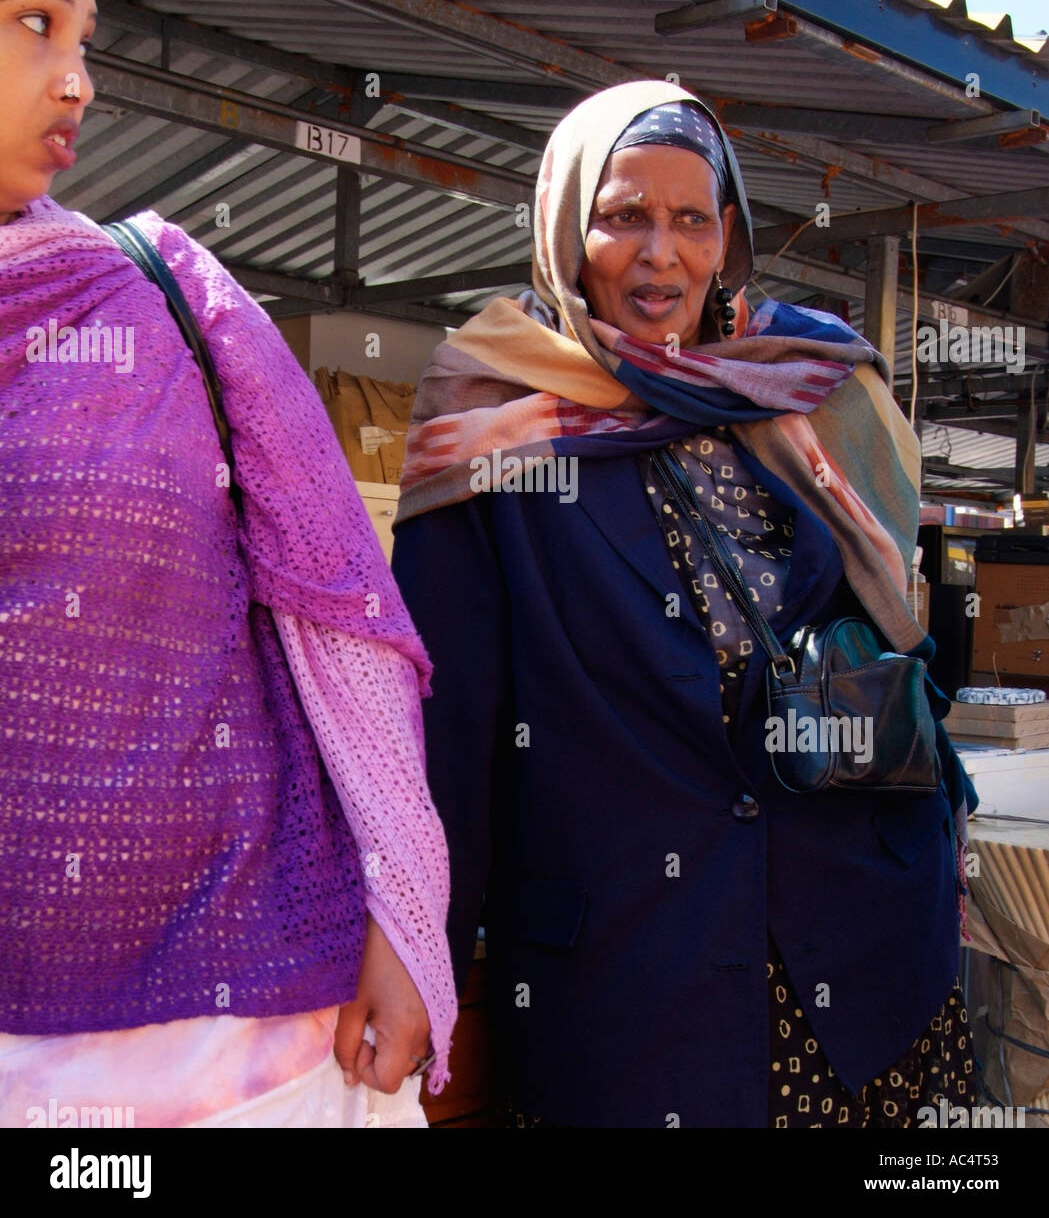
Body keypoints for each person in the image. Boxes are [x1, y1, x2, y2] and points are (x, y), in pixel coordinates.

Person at [391, 79, 977, 1128]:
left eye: (689, 219)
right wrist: (416, 952)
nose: (657, 253)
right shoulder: (488, 412)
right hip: (628, 989)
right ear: (569, 226)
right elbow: (444, 735)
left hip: (865, 958)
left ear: (727, 238)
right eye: (623, 216)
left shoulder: (810, 379)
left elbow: (894, 636)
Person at [0, 0, 456, 1129]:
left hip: (229, 1036)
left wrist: (405, 913)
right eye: (36, 22)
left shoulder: (173, 301)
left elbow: (337, 621)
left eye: (84, 37)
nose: (78, 78)